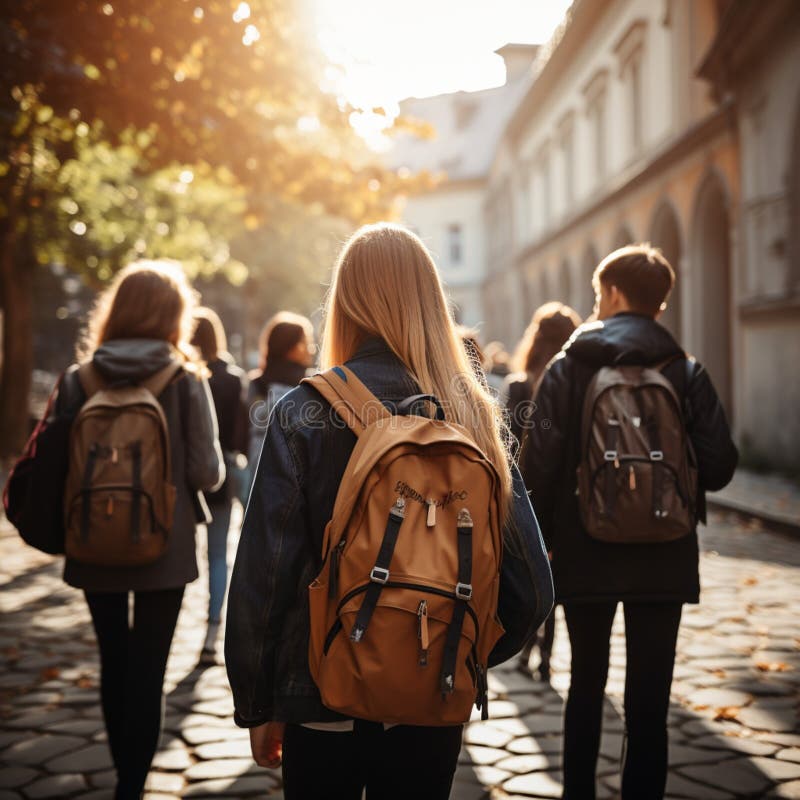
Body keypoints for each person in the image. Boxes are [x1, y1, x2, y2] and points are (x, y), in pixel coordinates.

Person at [225, 223, 553, 800]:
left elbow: (265, 575)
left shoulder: (304, 410)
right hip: (432, 701)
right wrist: (457, 654)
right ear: (429, 301)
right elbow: (531, 587)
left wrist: (259, 701)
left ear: (345, 303)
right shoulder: (470, 412)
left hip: (319, 696)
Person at [522, 244, 738, 800]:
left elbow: (538, 468)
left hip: (584, 550)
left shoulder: (570, 367)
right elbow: (719, 468)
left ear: (614, 295)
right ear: (659, 306)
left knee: (586, 687)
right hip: (664, 554)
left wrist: (539, 545)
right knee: (649, 703)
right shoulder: (686, 371)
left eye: (599, 295)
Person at [51, 261, 223, 799]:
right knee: (150, 668)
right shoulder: (185, 379)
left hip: (91, 539)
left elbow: (57, 469)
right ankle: (132, 785)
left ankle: (122, 770)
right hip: (164, 545)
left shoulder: (78, 380)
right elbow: (207, 472)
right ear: (176, 316)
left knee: (113, 660)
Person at [506, 301, 581, 681]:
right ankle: (548, 656)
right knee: (561, 584)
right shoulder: (576, 383)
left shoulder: (521, 384)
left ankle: (524, 649)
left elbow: (506, 444)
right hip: (569, 500)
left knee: (532, 577)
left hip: (525, 498)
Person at [191, 307, 248, 662]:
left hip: (183, 477)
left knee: (185, 555)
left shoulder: (182, 376)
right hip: (223, 471)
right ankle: (213, 633)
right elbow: (242, 436)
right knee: (217, 554)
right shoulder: (232, 378)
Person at [244, 311, 315, 492]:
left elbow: (241, 434)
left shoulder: (256, 384)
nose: (311, 348)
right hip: (302, 479)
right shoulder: (312, 384)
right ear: (292, 347)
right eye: (306, 342)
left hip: (256, 476)